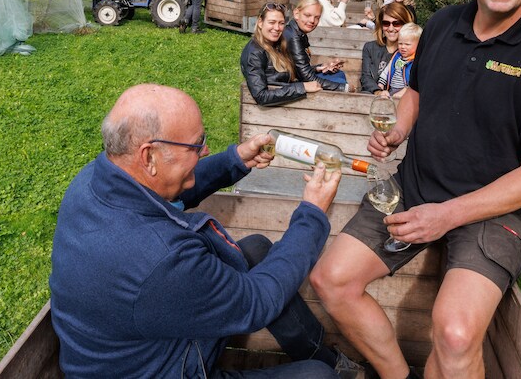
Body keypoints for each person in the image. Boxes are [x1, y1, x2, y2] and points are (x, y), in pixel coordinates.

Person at [309, 0, 521, 379]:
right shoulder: (440, 25)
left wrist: (447, 215)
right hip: (414, 188)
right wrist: (399, 131)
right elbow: (416, 93)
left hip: (495, 210)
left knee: (456, 335)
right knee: (330, 280)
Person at [50, 84, 359, 379]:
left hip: (150, 342)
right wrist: (313, 213)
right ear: (149, 156)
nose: (205, 148)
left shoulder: (97, 177)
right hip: (167, 366)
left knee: (254, 251)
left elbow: (167, 189)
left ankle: (322, 355)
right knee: (318, 377)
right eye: (196, 145)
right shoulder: (159, 260)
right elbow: (255, 303)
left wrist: (234, 160)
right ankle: (325, 367)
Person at [242, 3, 322, 106]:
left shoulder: (276, 45)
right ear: (260, 23)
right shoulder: (255, 53)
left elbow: (281, 75)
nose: (277, 28)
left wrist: (315, 69)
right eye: (272, 22)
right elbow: (262, 96)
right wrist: (303, 87)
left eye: (281, 23)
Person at [284, 0, 349, 91]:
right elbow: (307, 77)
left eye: (316, 17)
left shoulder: (299, 32)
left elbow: (299, 68)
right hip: (290, 83)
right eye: (307, 15)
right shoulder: (293, 37)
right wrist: (343, 88)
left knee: (339, 74)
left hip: (297, 77)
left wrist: (319, 67)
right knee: (340, 81)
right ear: (296, 13)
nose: (312, 21)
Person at [358, 2, 414, 95]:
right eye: (386, 23)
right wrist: (378, 92)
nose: (391, 28)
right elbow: (366, 77)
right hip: (374, 99)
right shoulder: (370, 47)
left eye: (396, 23)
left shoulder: (411, 51)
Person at [376, 22, 421, 97]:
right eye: (400, 43)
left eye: (407, 44)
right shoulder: (397, 57)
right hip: (392, 90)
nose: (403, 47)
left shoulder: (416, 61)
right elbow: (387, 71)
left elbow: (415, 80)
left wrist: (405, 91)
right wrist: (380, 85)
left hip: (408, 92)